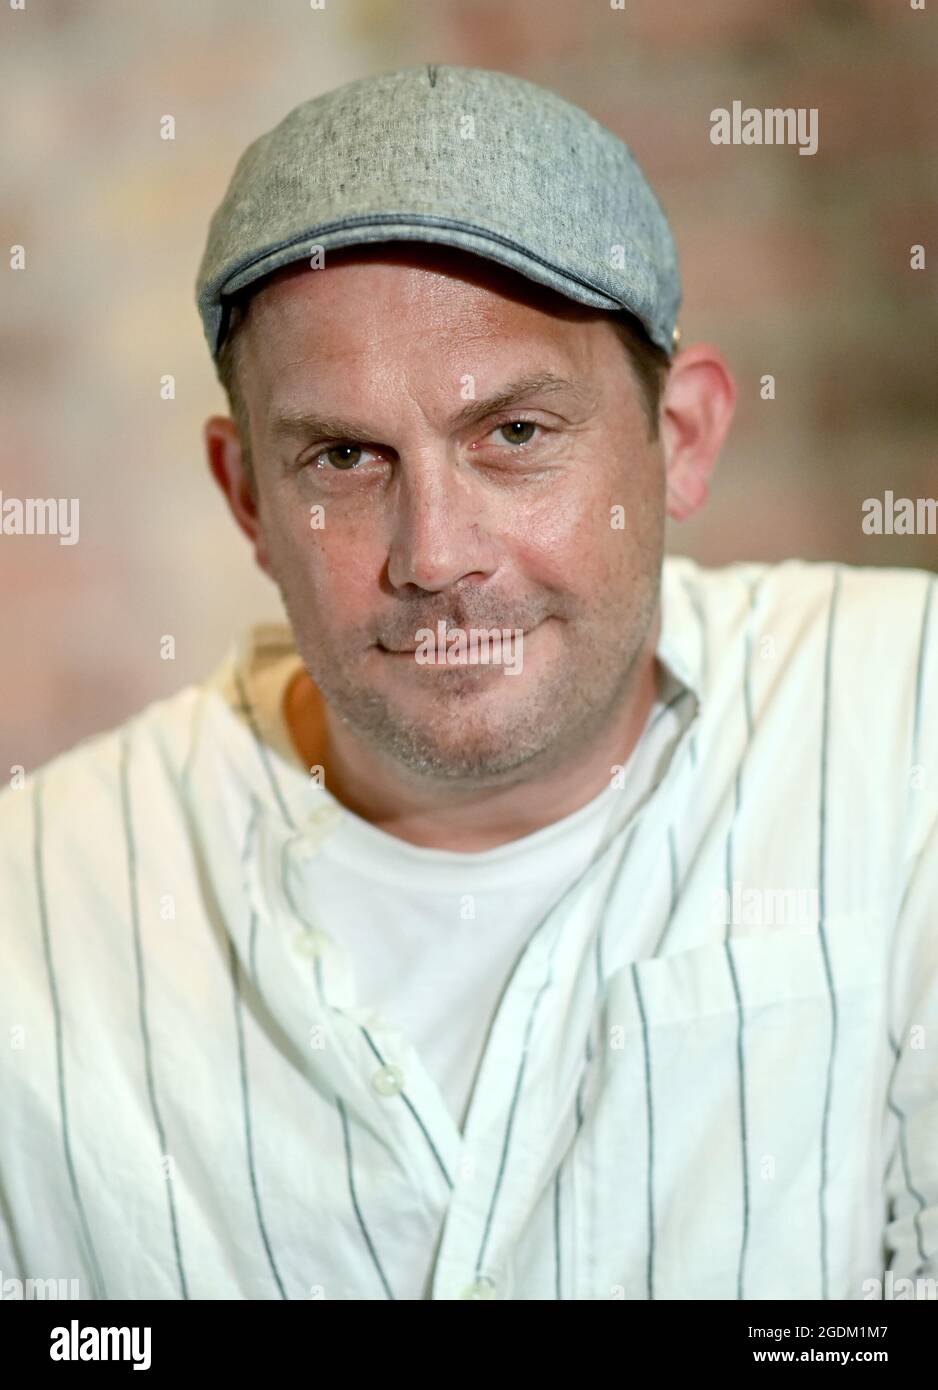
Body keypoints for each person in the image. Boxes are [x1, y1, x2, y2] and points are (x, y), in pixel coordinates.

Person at [1, 63, 935, 1303]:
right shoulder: (35, 919)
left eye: (513, 434)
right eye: (343, 455)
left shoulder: (898, 715)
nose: (434, 554)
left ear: (681, 441)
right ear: (248, 501)